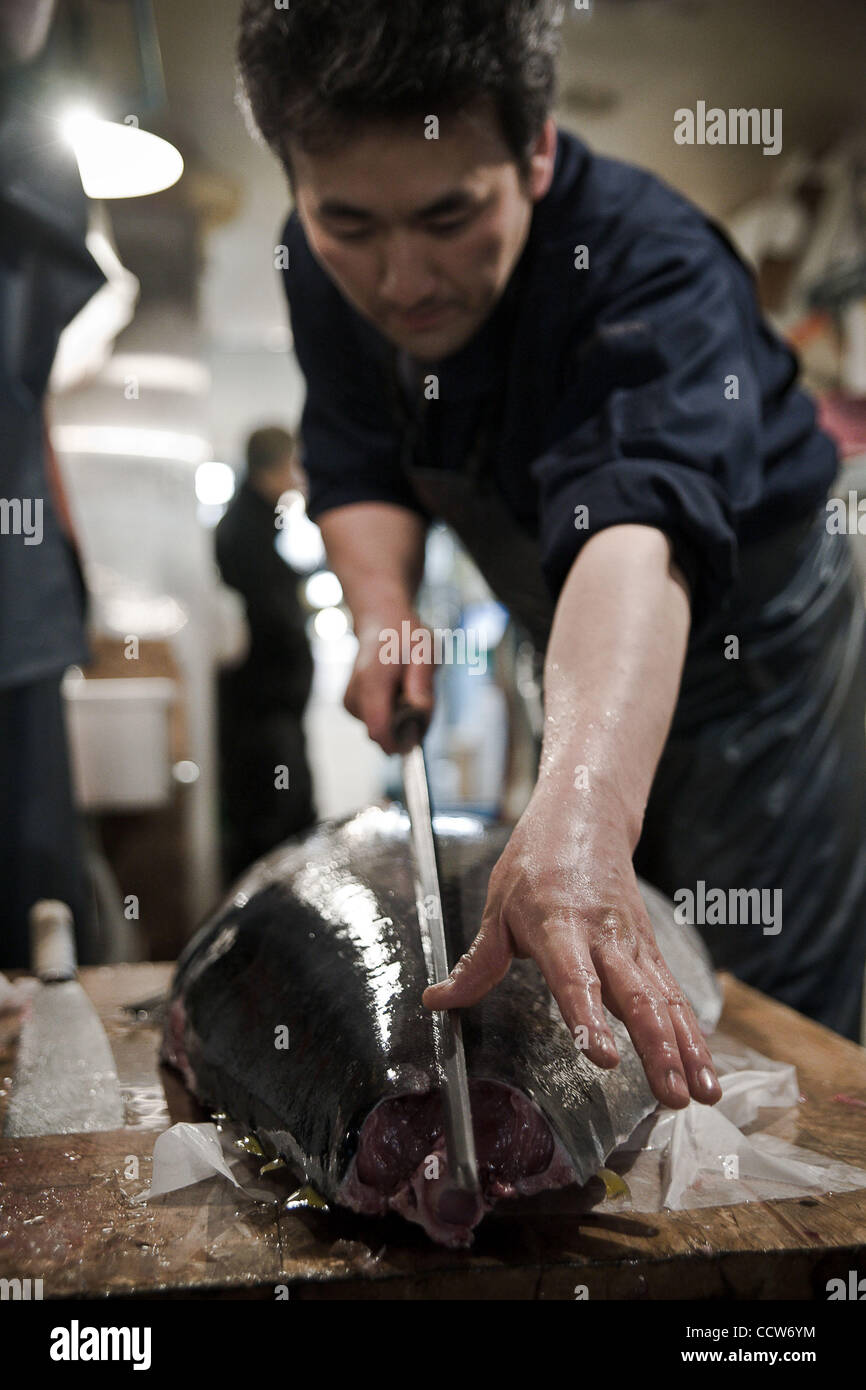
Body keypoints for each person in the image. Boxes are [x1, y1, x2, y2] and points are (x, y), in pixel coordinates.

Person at [237, 0, 866, 1105]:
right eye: (349, 224)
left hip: (747, 655)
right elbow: (356, 456)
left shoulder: (649, 261)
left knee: (756, 1005)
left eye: (446, 216)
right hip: (571, 640)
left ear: (533, 150)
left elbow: (635, 516)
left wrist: (583, 799)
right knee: (566, 979)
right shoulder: (311, 255)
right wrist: (382, 606)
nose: (398, 280)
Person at [0, 0, 105, 967]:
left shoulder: (32, 155)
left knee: (37, 909)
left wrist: (61, 556)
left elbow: (28, 402)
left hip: (20, 604)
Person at [215, 427, 315, 881]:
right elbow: (270, 618)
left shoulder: (255, 524)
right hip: (263, 710)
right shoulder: (245, 529)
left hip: (269, 709)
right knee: (272, 826)